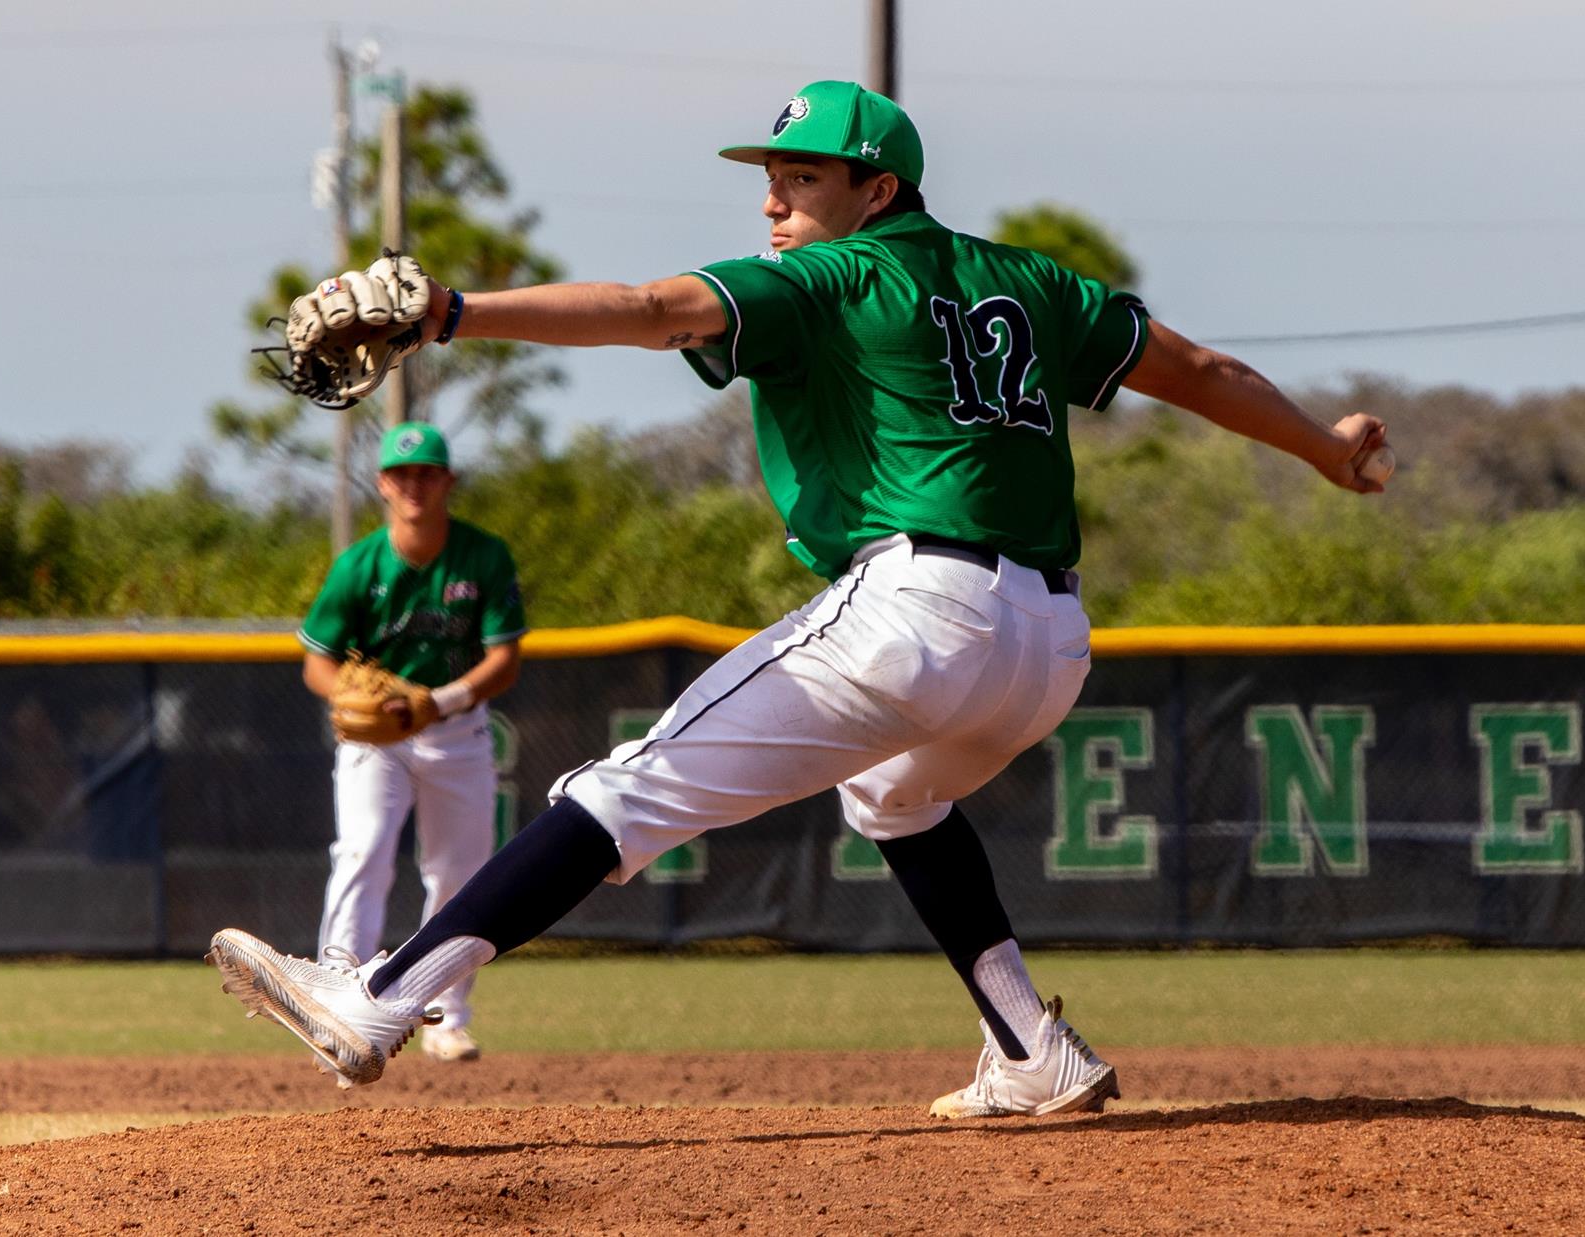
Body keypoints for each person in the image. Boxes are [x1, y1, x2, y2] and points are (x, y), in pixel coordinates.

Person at [213, 81, 1387, 1115]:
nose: (774, 201)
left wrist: (451, 314)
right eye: (769, 177)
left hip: (920, 608)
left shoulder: (831, 274)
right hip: (1050, 644)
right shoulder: (1030, 280)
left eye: (804, 176)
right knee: (892, 796)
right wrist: (1326, 450)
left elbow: (648, 308)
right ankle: (1034, 1048)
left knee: (621, 789)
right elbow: (1203, 372)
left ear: (878, 189)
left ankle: (377, 997)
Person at [294, 422, 527, 1064]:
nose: (414, 484)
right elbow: (316, 661)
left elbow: (503, 659)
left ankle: (447, 1016)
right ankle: (336, 1007)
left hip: (457, 735)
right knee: (363, 854)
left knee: (458, 874)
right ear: (382, 486)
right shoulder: (360, 565)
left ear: (447, 481)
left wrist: (439, 700)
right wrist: (349, 695)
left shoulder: (482, 556)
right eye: (402, 475)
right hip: (379, 744)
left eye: (427, 472)